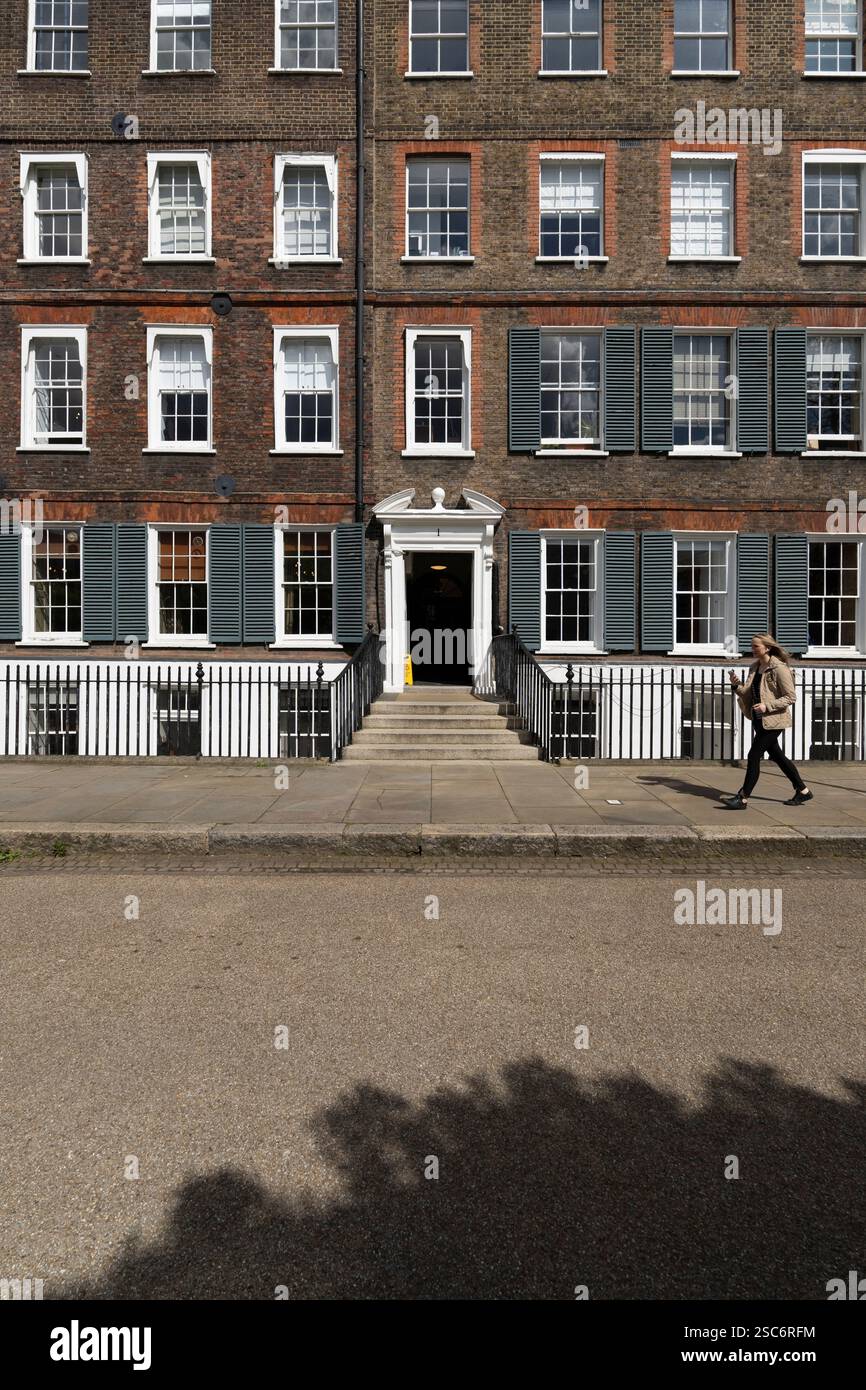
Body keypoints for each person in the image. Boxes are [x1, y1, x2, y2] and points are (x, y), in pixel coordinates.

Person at [721, 634, 813, 811]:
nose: (753, 649)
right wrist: (736, 686)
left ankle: (743, 798)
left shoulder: (779, 668)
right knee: (778, 756)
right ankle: (803, 790)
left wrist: (767, 706)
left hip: (773, 720)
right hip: (758, 720)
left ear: (767, 648)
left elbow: (791, 697)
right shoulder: (755, 667)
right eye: (752, 646)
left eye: (756, 646)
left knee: (753, 756)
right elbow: (747, 694)